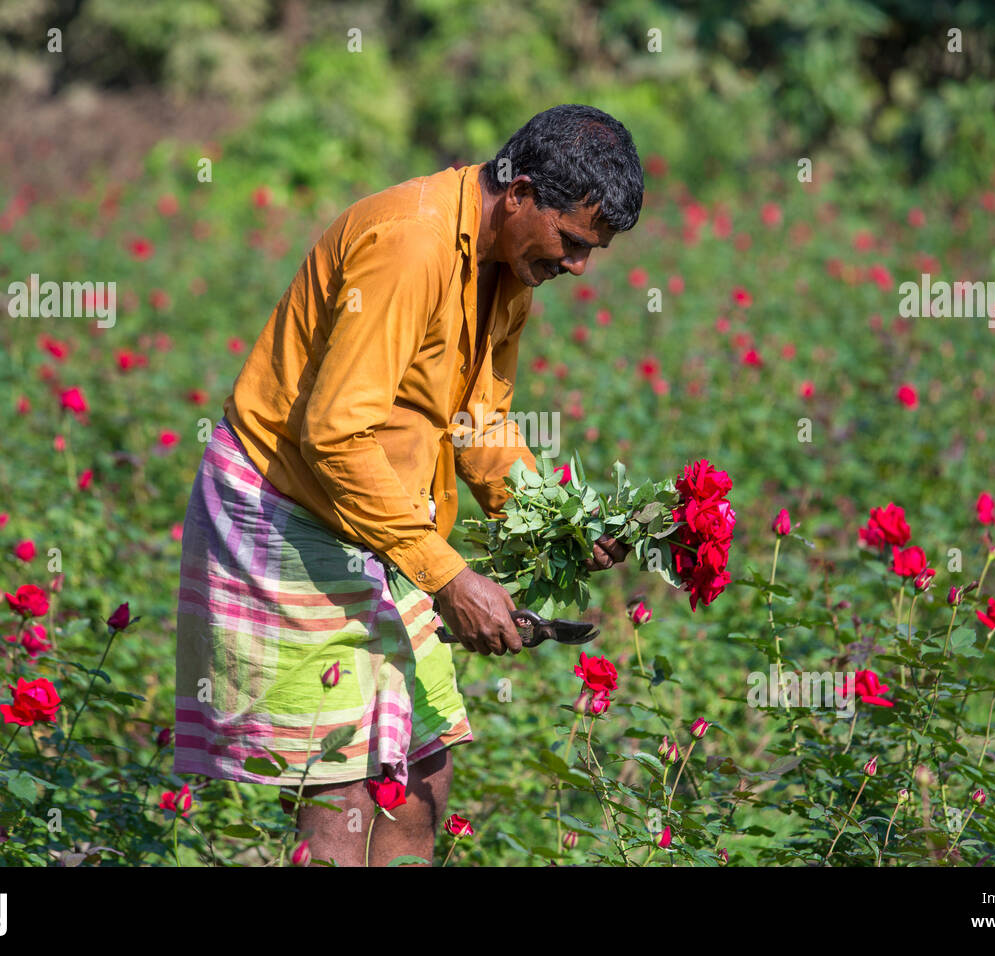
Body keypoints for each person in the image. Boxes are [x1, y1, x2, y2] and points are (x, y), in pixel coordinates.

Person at [175, 103, 644, 866]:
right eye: (574, 242)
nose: (580, 265)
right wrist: (449, 576)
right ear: (519, 192)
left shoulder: (512, 271)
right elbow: (333, 436)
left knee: (421, 773)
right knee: (346, 787)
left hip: (379, 517)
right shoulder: (410, 244)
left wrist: (564, 521)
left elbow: (478, 423)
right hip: (286, 509)